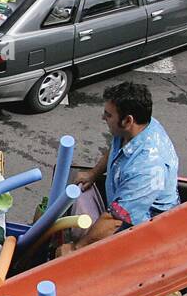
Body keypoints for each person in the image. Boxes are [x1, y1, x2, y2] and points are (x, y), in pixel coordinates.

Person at [61, 80, 179, 252]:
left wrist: (76, 249)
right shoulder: (137, 128)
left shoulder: (147, 168)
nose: (103, 118)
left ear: (127, 120)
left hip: (139, 230)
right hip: (118, 204)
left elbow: (115, 220)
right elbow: (116, 148)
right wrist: (93, 174)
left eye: (108, 115)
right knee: (76, 188)